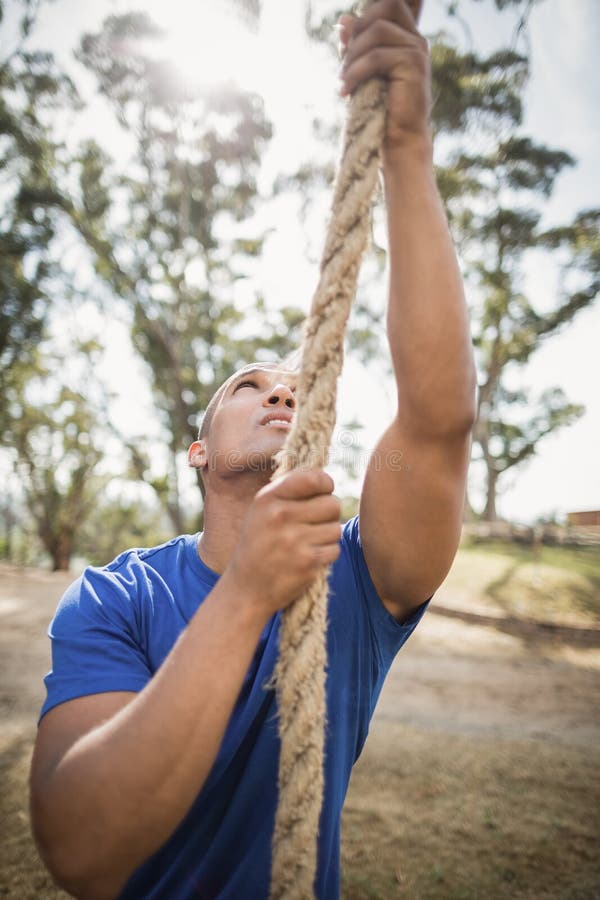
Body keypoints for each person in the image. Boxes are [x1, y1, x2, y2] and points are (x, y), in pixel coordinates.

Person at [30, 2, 477, 898]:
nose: (280, 390)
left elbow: (437, 423)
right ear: (197, 453)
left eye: (293, 387)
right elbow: (79, 848)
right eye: (249, 385)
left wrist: (408, 155)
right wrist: (244, 597)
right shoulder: (121, 595)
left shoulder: (358, 579)